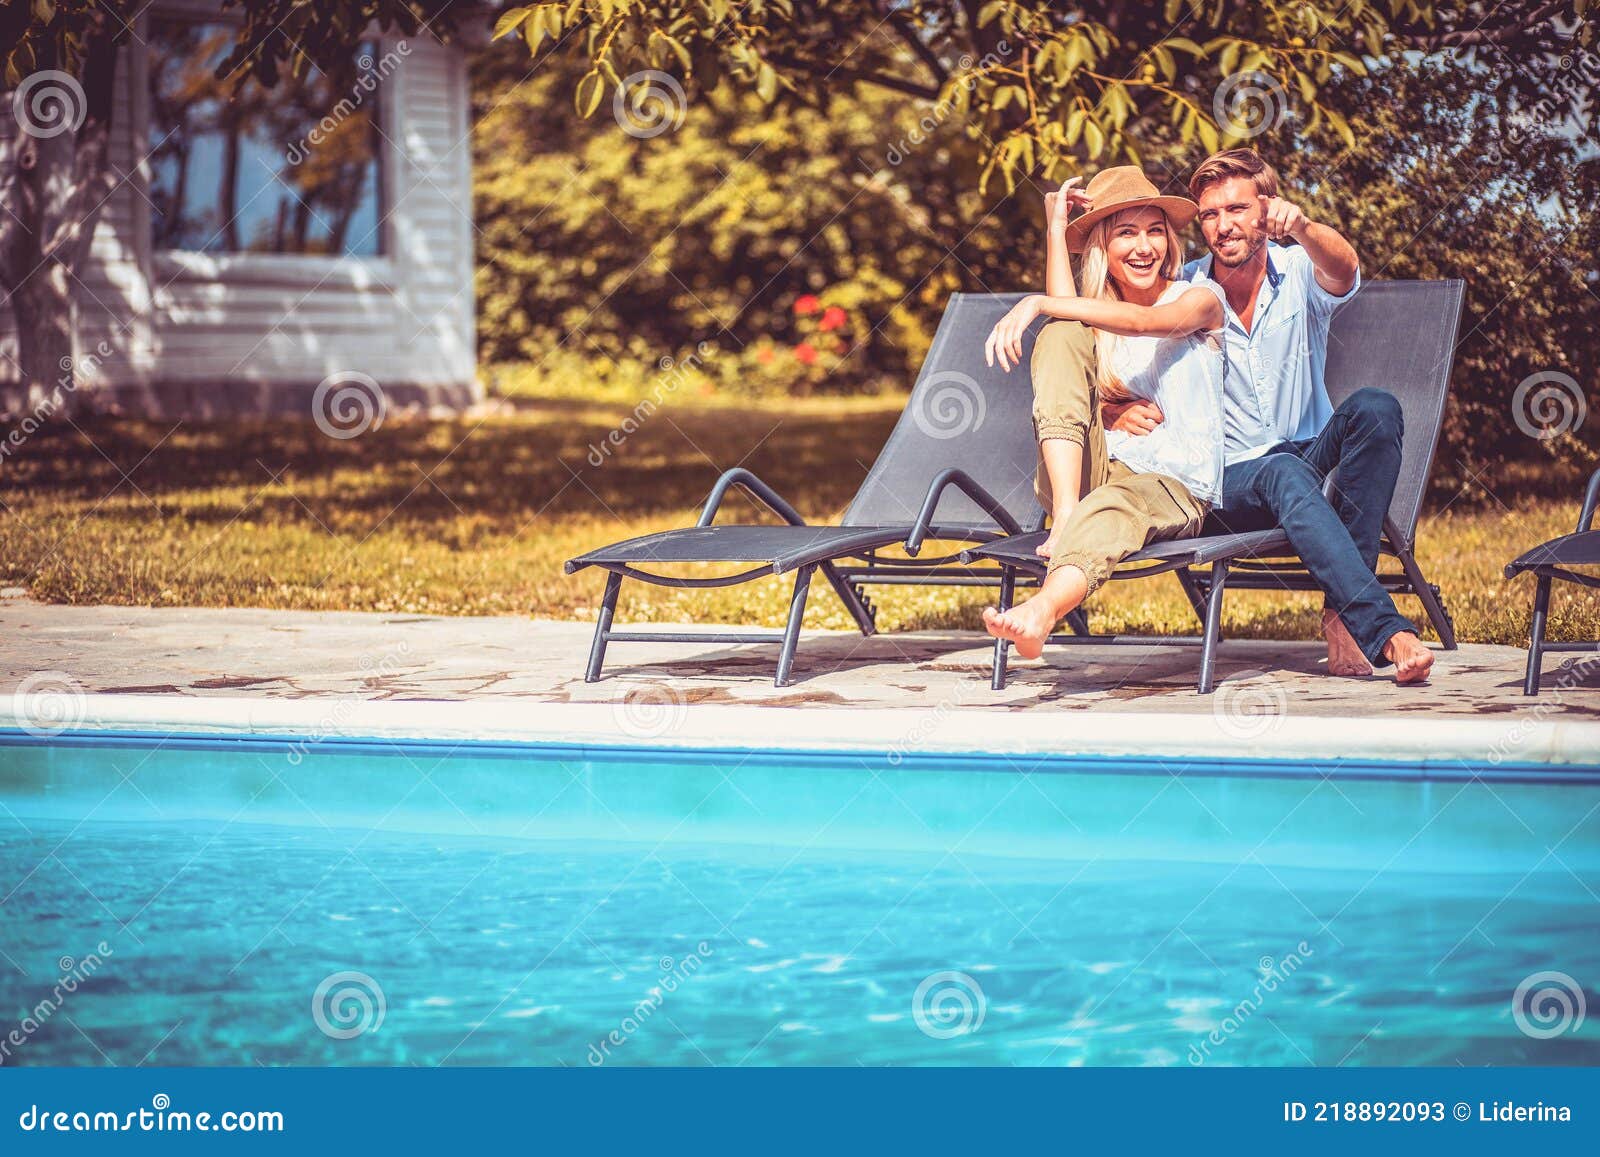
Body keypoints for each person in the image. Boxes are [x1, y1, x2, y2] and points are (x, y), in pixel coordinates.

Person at [1104, 148, 1434, 684]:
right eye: (1210, 215)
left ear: (1266, 209)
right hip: (1226, 479)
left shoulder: (1300, 268)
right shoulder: (1183, 289)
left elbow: (1345, 267)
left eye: (1236, 210)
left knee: (1375, 407)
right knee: (1279, 471)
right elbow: (1114, 353)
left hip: (1309, 459)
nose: (1222, 226)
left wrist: (1302, 226)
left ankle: (1340, 612)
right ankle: (1386, 630)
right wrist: (1109, 407)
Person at [979, 166, 1227, 659]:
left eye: (1155, 231)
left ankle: (1041, 612)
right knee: (1060, 332)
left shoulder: (1200, 298)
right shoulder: (1097, 315)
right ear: (1101, 250)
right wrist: (1055, 230)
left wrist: (1035, 301)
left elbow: (1144, 322)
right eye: (1126, 234)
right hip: (1087, 478)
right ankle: (1067, 512)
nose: (1144, 247)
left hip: (1170, 484)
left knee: (1113, 506)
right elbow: (1068, 324)